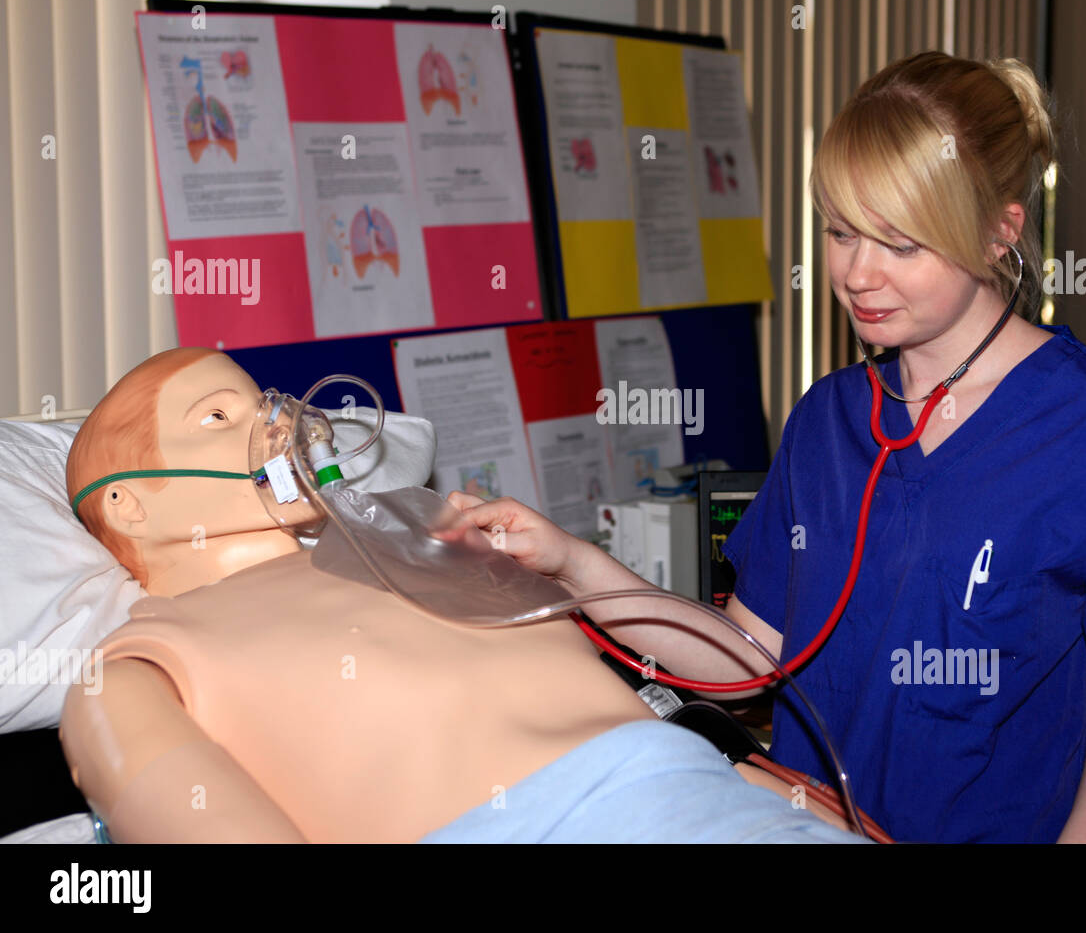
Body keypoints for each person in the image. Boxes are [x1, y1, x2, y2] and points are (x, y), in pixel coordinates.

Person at [450, 51, 1086, 843]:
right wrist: (572, 565)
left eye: (900, 243)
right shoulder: (827, 422)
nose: (858, 274)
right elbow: (751, 659)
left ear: (1000, 233)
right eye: (840, 232)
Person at [58, 347, 862, 844]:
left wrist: (779, 796)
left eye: (264, 397)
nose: (277, 420)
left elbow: (672, 698)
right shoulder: (138, 665)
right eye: (219, 414)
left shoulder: (424, 546)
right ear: (131, 501)